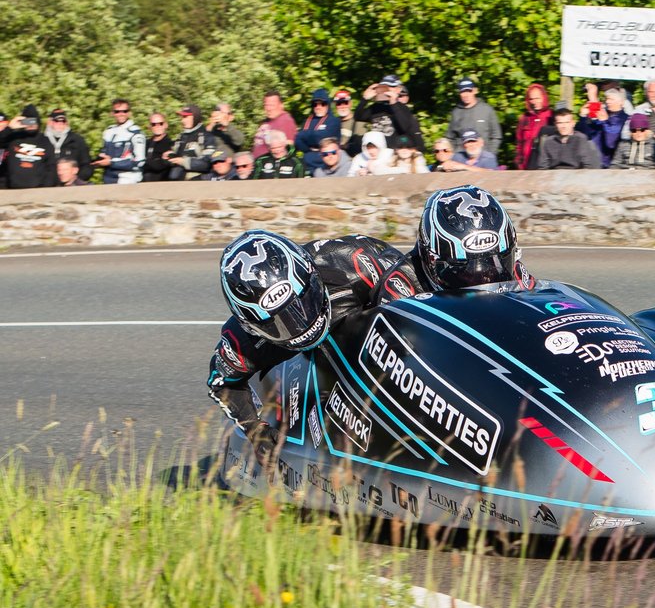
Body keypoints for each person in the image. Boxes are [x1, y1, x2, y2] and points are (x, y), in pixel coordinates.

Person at [208, 185, 532, 461]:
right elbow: (221, 382)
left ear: (311, 276)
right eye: (280, 322)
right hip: (305, 385)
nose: (300, 322)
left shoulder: (359, 262)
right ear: (250, 324)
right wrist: (255, 432)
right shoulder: (241, 341)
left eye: (304, 301)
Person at [354, 74, 425, 154]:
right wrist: (364, 99)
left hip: (394, 153)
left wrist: (393, 103)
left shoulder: (402, 108)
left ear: (398, 89)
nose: (386, 89)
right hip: (377, 153)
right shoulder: (376, 107)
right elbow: (358, 117)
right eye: (384, 86)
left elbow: (404, 127)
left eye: (391, 86)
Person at [3, 107, 56, 189]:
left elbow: (51, 169)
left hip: (37, 191)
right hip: (13, 190)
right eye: (27, 121)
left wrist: (44, 189)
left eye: (33, 121)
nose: (31, 124)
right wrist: (9, 128)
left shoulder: (46, 142)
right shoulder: (13, 138)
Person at [95, 99, 146, 184]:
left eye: (124, 111)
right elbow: (104, 153)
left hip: (128, 179)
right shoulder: (108, 131)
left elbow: (139, 161)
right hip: (108, 178)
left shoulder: (136, 133)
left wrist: (111, 163)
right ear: (112, 113)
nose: (121, 114)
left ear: (129, 113)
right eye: (117, 111)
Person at [448, 78, 502, 154]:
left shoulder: (487, 110)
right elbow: (450, 137)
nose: (466, 95)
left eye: (469, 91)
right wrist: (457, 154)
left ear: (475, 91)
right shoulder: (456, 112)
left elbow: (496, 136)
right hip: (462, 158)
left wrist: (489, 155)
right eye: (463, 92)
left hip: (483, 158)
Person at [579, 86, 630, 168]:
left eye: (611, 99)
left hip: (609, 164)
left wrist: (604, 121)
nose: (607, 101)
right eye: (607, 99)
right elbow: (586, 134)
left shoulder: (624, 118)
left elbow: (611, 142)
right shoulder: (603, 113)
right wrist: (583, 116)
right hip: (591, 160)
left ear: (621, 102)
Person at [163, 105, 217, 180]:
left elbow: (207, 163)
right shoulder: (181, 136)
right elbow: (178, 157)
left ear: (195, 117)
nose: (182, 121)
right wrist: (170, 156)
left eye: (186, 117)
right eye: (182, 117)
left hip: (197, 181)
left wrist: (184, 162)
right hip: (177, 182)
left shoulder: (206, 137)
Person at [294, 89, 342, 172]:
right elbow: (297, 140)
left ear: (328, 105)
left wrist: (303, 134)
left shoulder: (334, 121)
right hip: (308, 159)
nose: (318, 107)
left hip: (328, 161)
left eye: (322, 104)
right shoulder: (307, 121)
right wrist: (309, 149)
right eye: (315, 104)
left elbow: (321, 138)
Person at [537, 108, 602, 169]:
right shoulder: (549, 141)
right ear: (555, 124)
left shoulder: (580, 139)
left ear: (573, 123)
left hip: (576, 174)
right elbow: (543, 167)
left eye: (567, 122)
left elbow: (588, 165)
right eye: (560, 123)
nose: (564, 126)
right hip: (553, 174)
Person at [44, 109, 93, 182]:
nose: (60, 124)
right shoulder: (43, 140)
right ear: (50, 122)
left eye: (63, 121)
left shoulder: (77, 140)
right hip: (48, 185)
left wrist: (77, 181)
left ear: (66, 123)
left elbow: (86, 165)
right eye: (56, 121)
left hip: (72, 185)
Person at [515, 83, 553, 170]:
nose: (534, 102)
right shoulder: (524, 118)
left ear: (543, 97)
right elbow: (519, 143)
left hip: (546, 166)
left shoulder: (552, 116)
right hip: (526, 166)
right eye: (531, 99)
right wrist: (519, 163)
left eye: (537, 98)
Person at [251, 91, 298, 159]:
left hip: (270, 164)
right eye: (266, 105)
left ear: (281, 105)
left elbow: (288, 148)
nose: (268, 108)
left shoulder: (285, 121)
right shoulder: (266, 121)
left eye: (272, 105)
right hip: (259, 162)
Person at [142, 113, 174, 183]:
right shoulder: (145, 144)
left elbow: (159, 166)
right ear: (150, 126)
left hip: (162, 183)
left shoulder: (171, 144)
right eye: (154, 124)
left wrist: (144, 162)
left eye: (160, 123)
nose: (157, 126)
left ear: (166, 125)